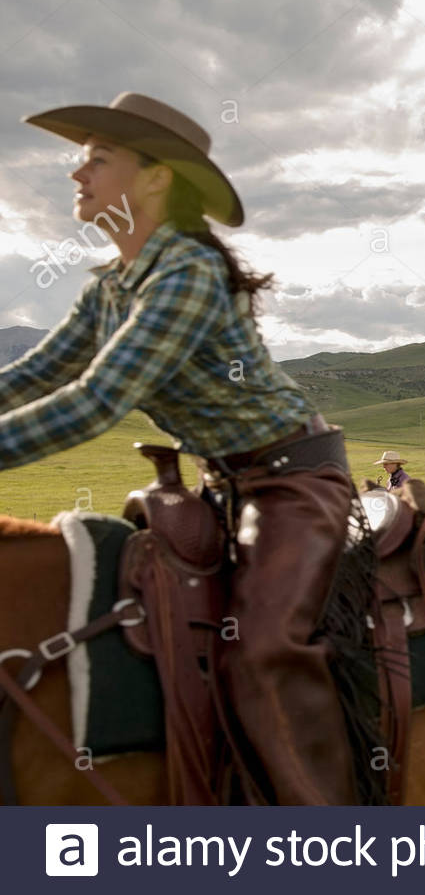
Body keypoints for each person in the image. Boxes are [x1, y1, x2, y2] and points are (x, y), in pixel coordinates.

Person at [0, 92, 357, 803]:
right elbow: (34, 376)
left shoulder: (185, 272)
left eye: (99, 158)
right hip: (219, 486)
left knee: (263, 653)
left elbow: (98, 399)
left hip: (290, 483)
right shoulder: (111, 287)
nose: (78, 173)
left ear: (157, 176)